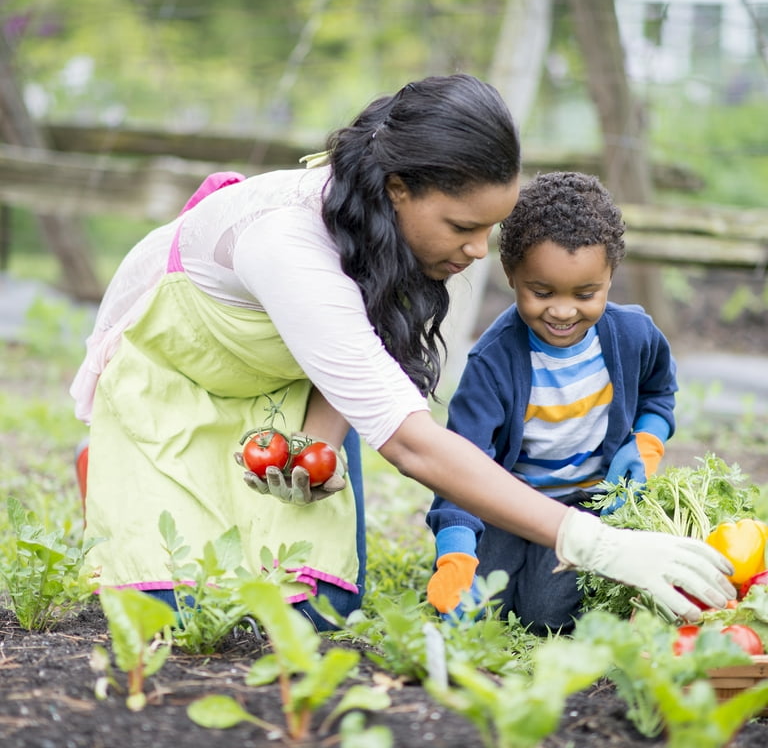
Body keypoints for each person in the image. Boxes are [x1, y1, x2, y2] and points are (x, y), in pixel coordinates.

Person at [70, 75, 734, 633]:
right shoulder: (284, 244)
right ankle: (111, 466)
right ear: (399, 189)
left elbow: (348, 348)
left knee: (315, 612)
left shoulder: (386, 232)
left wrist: (314, 449)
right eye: (463, 227)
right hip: (176, 380)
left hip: (276, 380)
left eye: (489, 229)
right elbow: (412, 444)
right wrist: (600, 543)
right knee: (182, 617)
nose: (480, 251)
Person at [426, 171, 678, 633]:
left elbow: (660, 393)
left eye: (586, 294)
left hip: (583, 508)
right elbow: (459, 462)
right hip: (507, 504)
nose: (563, 311)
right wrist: (456, 553)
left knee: (545, 615)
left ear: (610, 276)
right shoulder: (493, 360)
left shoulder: (633, 336)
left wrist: (646, 442)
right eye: (541, 292)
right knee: (478, 607)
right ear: (511, 274)